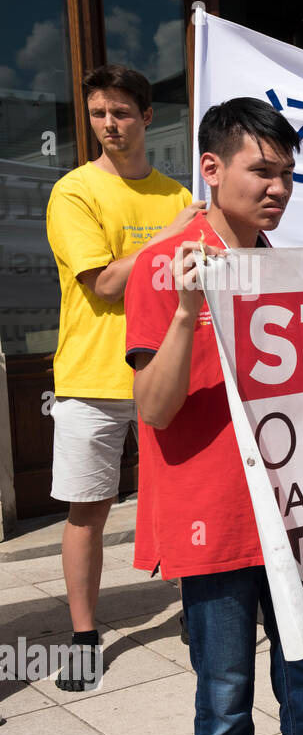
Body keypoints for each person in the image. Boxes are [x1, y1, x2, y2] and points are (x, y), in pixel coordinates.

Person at [124, 97, 303, 735]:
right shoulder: (164, 266)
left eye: (287, 174)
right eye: (263, 171)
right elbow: (153, 411)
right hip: (212, 521)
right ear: (213, 170)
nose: (278, 188)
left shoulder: (276, 266)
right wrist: (190, 312)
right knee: (225, 702)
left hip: (291, 519)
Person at [44, 65, 203, 691]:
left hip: (167, 374)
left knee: (185, 498)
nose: (109, 125)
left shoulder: (176, 193)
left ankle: (200, 609)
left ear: (147, 118)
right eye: (98, 114)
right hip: (92, 379)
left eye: (121, 113)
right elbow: (106, 282)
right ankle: (85, 636)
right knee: (88, 513)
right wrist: (175, 234)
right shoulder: (74, 192)